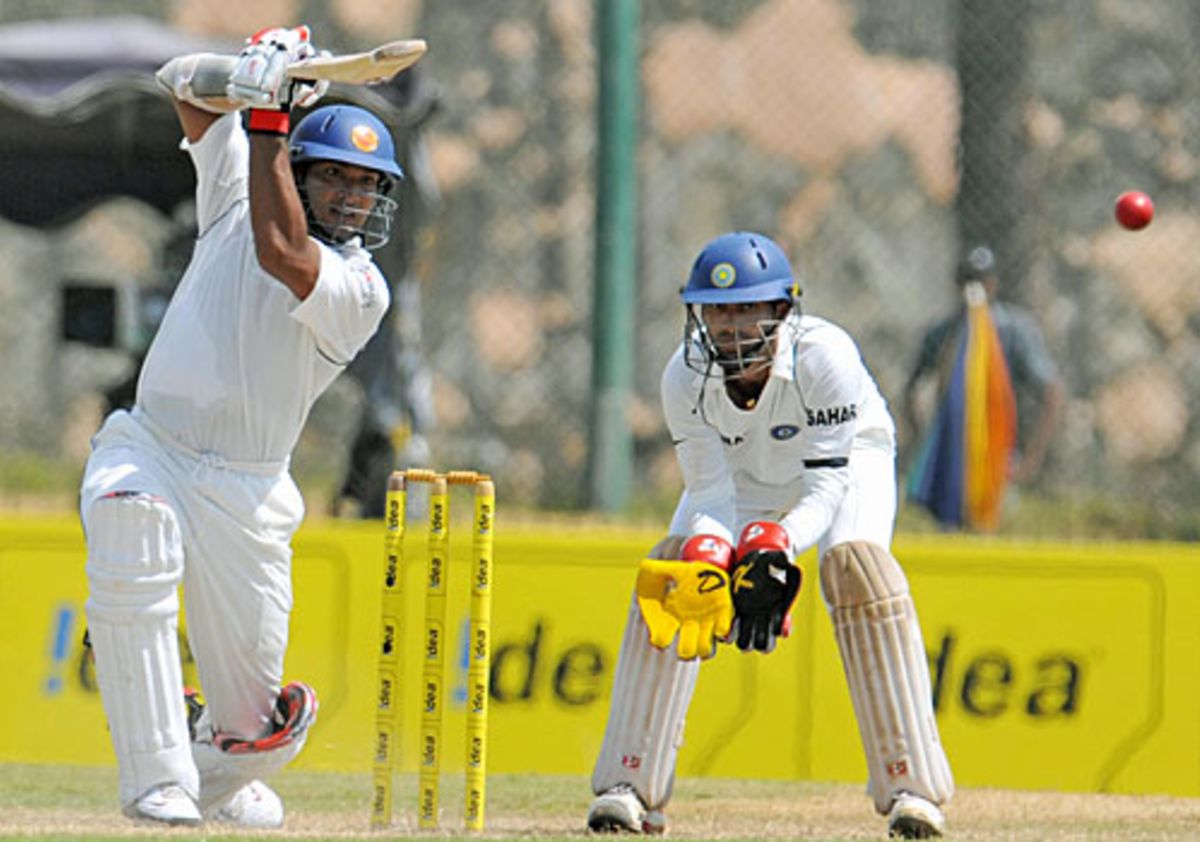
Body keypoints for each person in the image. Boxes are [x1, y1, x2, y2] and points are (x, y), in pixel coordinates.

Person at [79, 26, 401, 827]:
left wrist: (268, 120)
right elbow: (180, 83)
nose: (354, 199)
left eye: (368, 186)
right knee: (132, 526)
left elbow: (281, 251)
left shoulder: (359, 287)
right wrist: (252, 69)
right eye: (336, 180)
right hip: (149, 447)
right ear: (297, 172)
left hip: (248, 493)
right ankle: (159, 779)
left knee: (257, 733)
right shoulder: (237, 188)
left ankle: (216, 754)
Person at [587, 232, 954, 839]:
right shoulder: (684, 377)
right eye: (716, 310)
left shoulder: (824, 358)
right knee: (676, 570)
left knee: (860, 570)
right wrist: (712, 552)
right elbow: (708, 496)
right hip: (739, 476)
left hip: (845, 463)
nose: (728, 328)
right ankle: (631, 786)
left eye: (744, 310)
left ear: (781, 310)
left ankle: (913, 790)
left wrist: (774, 544)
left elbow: (824, 490)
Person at [903, 244, 1064, 490]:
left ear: (993, 284)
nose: (974, 289)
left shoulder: (1014, 330)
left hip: (1000, 455)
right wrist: (924, 443)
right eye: (967, 281)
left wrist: (1030, 461)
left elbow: (1051, 391)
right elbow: (913, 388)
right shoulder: (943, 334)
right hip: (950, 455)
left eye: (981, 281)